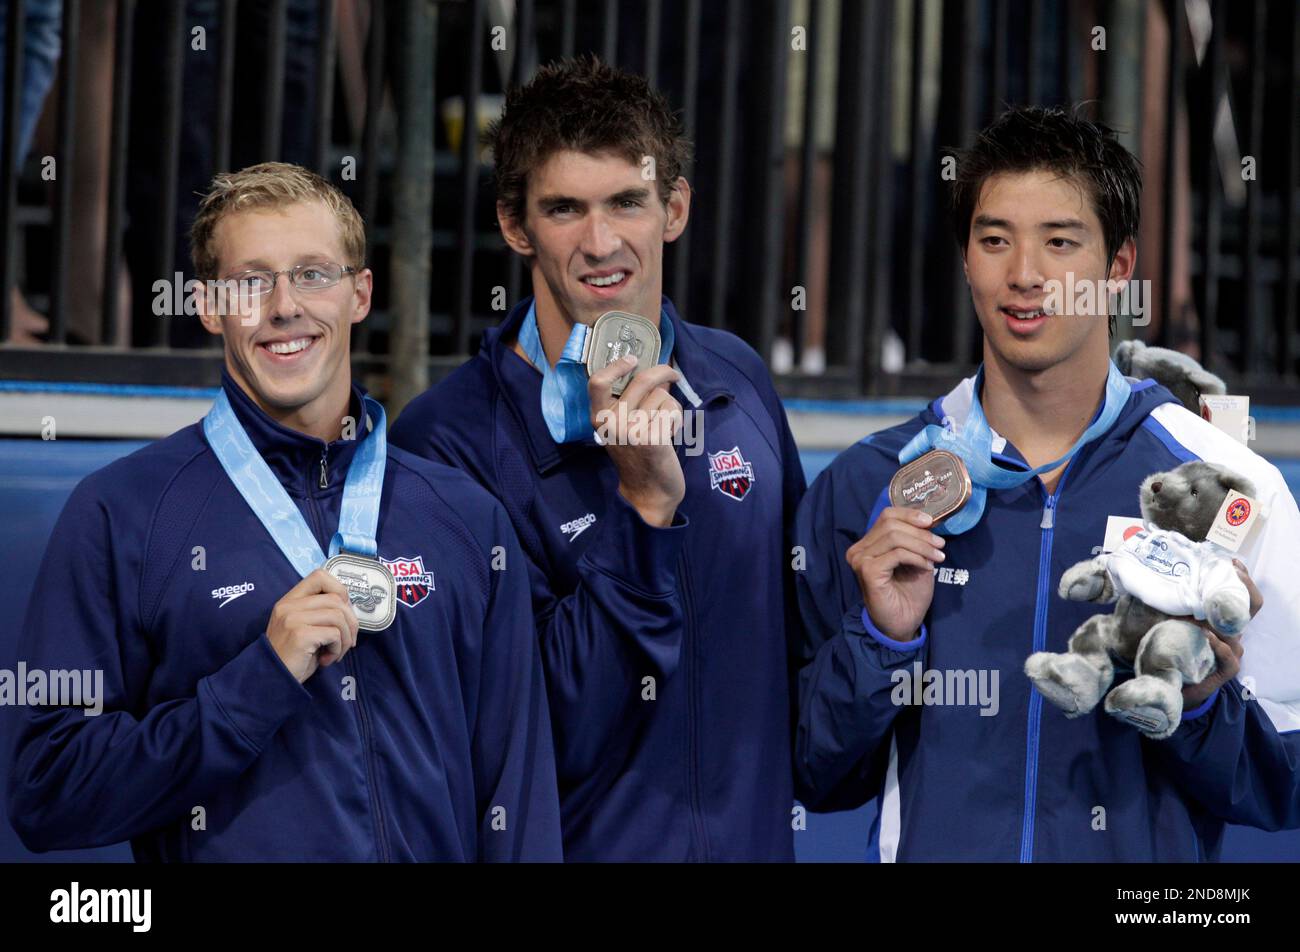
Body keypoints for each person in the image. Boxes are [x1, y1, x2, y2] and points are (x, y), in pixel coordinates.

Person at [7, 162, 562, 861]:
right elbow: (47, 792)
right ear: (208, 306)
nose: (283, 306)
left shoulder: (463, 517)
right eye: (250, 282)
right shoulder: (122, 514)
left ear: (360, 293)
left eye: (313, 274)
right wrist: (258, 680)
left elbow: (518, 793)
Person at [793, 106, 1300, 862]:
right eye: (994, 240)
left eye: (1060, 242)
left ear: (1118, 268)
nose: (1024, 274)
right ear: (966, 259)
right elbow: (813, 771)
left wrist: (1198, 711)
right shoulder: (872, 483)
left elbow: (1286, 784)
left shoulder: (1231, 491)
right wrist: (880, 646)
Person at [389, 57, 806, 861]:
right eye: (564, 209)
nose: (601, 241)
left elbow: (794, 662)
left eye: (626, 202)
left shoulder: (740, 382)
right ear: (515, 226)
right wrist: (643, 512)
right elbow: (528, 741)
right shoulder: (443, 444)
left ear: (673, 208)